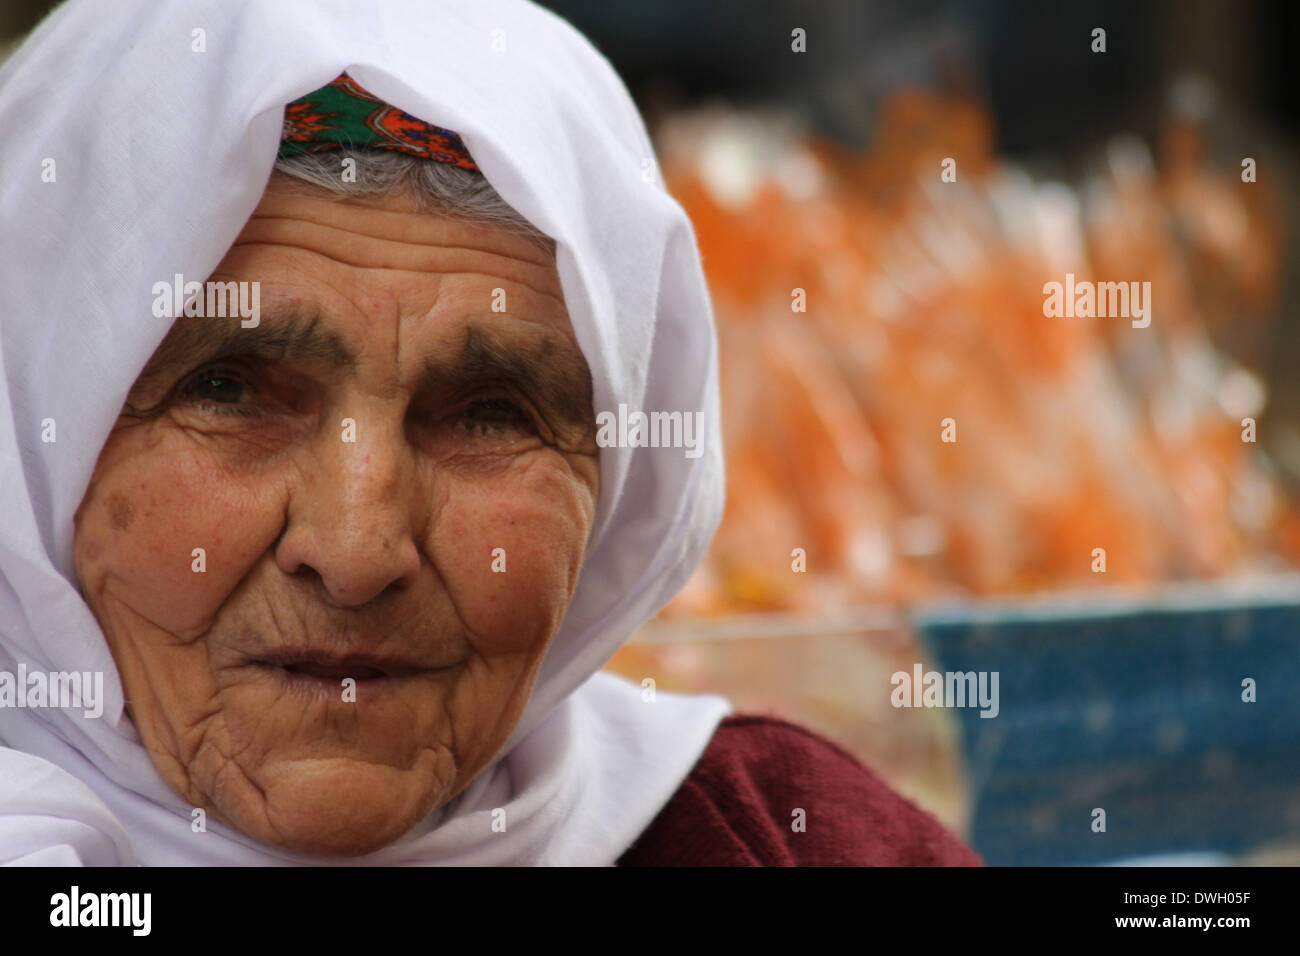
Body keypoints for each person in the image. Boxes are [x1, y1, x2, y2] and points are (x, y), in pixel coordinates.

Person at [0, 0, 980, 866]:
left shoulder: (790, 835)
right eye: (230, 391)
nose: (356, 552)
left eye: (488, 411)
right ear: (36, 454)